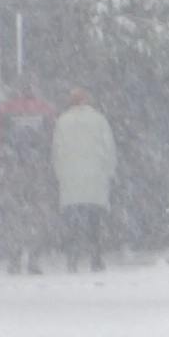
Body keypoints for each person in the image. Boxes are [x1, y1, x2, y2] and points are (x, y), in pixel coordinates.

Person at [50, 91, 119, 268]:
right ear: (87, 100)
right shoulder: (99, 120)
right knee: (94, 219)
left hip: (70, 177)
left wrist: (59, 173)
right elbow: (109, 147)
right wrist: (110, 171)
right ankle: (95, 257)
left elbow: (57, 150)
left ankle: (72, 257)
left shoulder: (62, 121)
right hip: (95, 176)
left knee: (73, 219)